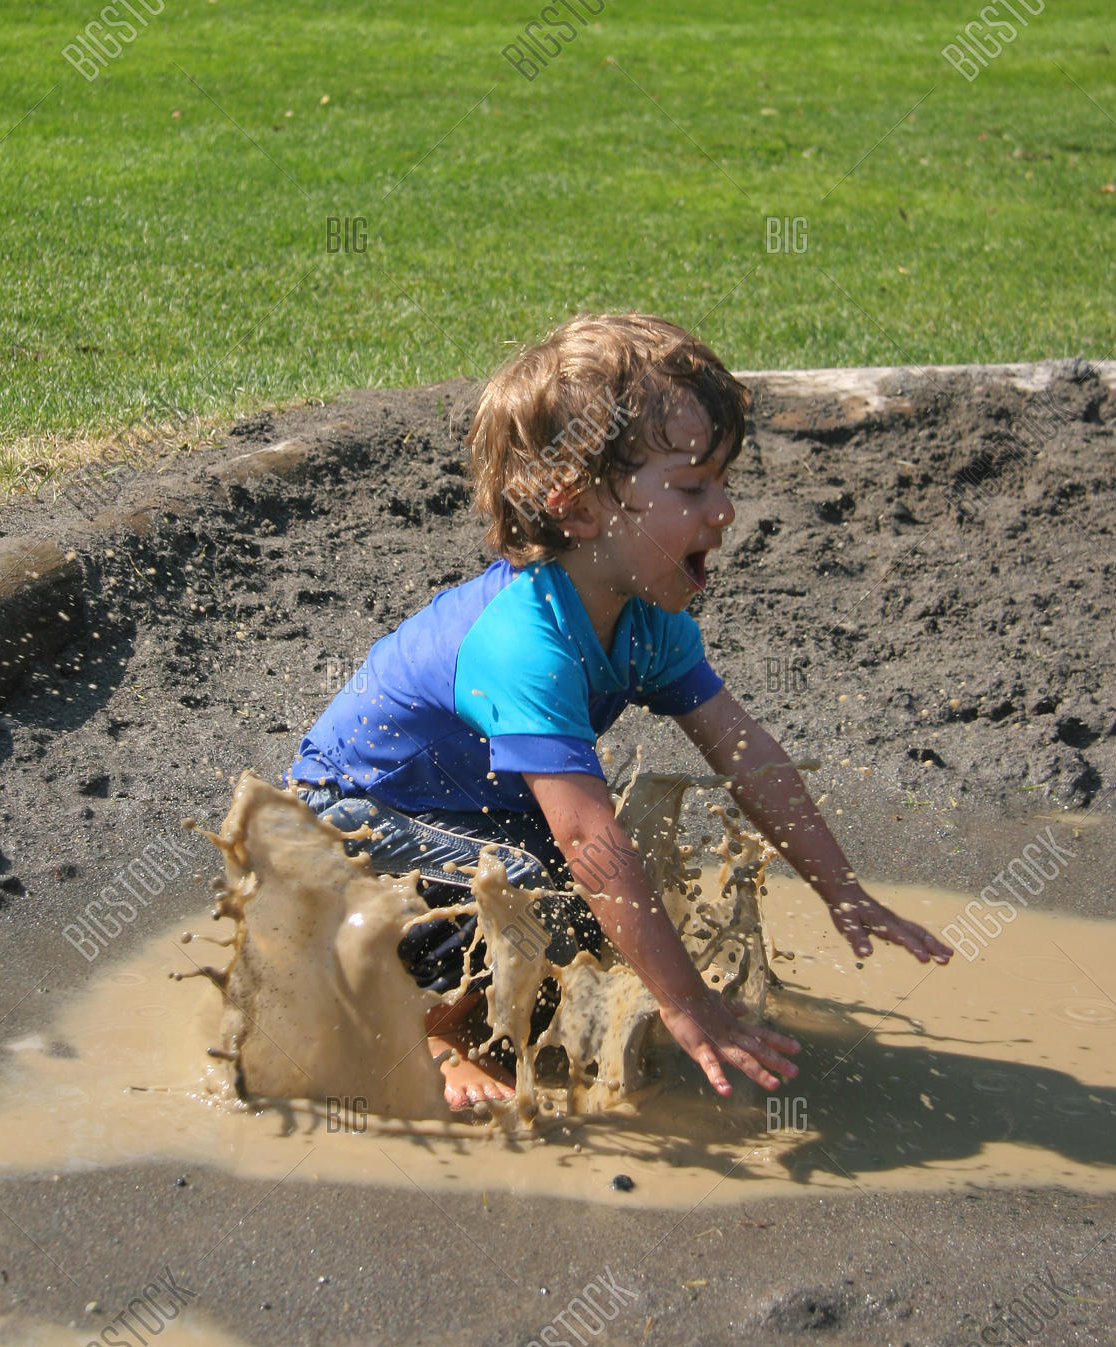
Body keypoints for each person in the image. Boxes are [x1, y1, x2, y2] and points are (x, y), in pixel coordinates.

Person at [287, 312, 952, 1111]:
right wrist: (687, 1003)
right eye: (691, 487)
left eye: (723, 481)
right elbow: (585, 836)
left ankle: (498, 1017)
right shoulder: (523, 642)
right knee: (540, 883)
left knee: (594, 929)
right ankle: (426, 1038)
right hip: (348, 820)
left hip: (463, 814)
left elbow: (749, 757)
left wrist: (839, 887)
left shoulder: (648, 624)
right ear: (577, 511)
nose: (725, 512)